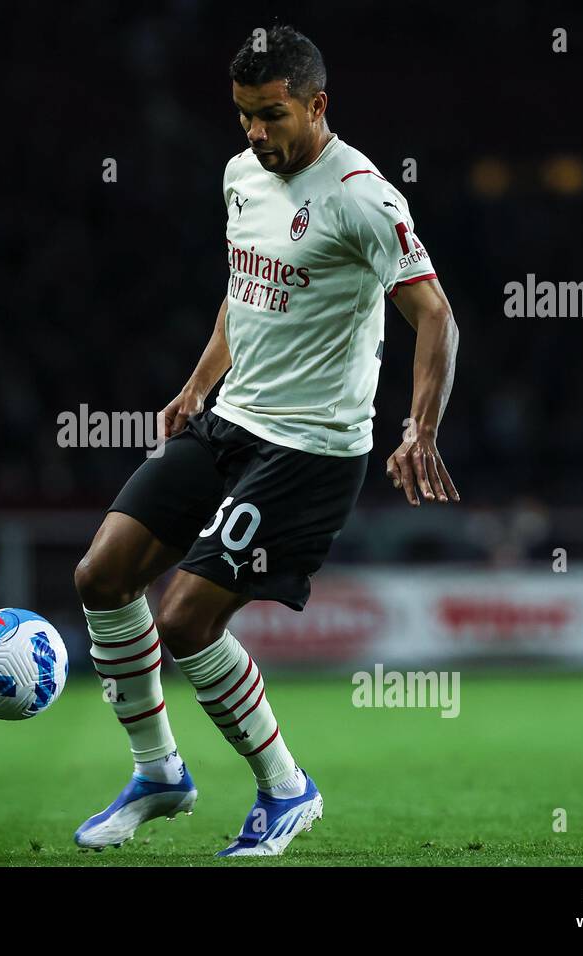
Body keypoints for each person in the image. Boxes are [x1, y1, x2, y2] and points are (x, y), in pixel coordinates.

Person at [71, 26, 461, 856]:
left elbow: (436, 313)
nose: (256, 132)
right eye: (245, 115)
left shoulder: (362, 195)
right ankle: (159, 774)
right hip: (230, 420)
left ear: (317, 105)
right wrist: (196, 384)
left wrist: (420, 427)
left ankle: (286, 788)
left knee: (184, 621)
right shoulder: (241, 174)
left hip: (310, 449)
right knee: (101, 575)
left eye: (272, 115)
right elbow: (243, 291)